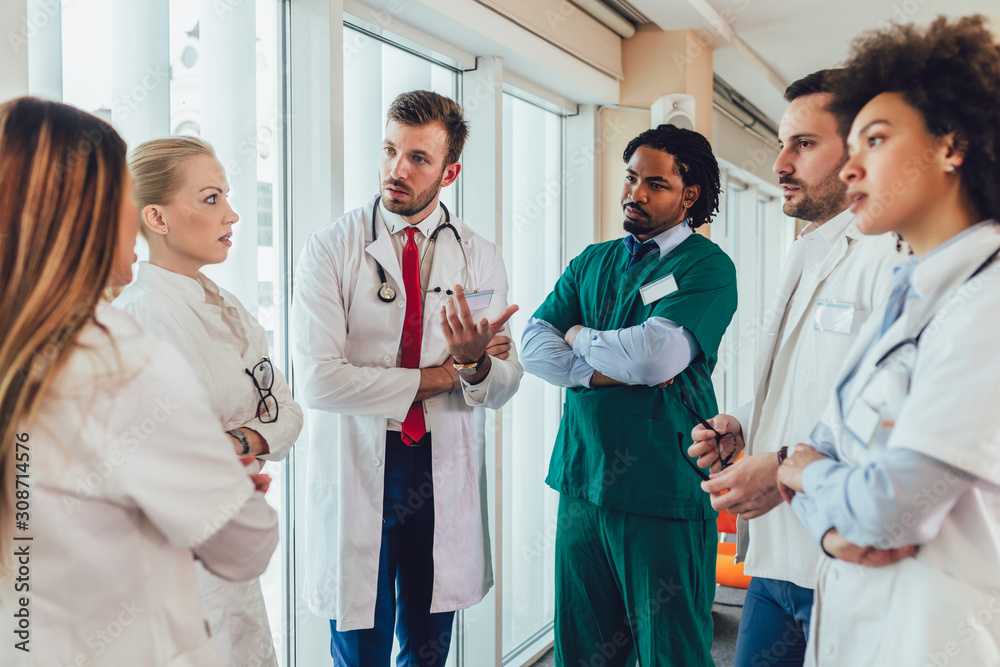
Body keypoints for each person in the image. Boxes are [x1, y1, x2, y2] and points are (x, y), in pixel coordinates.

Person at [0, 98, 278, 666]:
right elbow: (246, 543)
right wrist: (217, 481)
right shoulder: (118, 358)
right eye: (119, 198)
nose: (132, 212)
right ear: (86, 214)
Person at [772, 16, 1000, 666]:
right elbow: (823, 448)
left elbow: (887, 510)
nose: (849, 167)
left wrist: (808, 476)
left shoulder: (987, 304)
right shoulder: (910, 291)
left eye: (874, 139)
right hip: (860, 624)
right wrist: (829, 515)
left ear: (951, 145)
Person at [291, 90, 522, 666]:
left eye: (418, 157)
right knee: (360, 646)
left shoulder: (479, 256)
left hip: (439, 465)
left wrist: (474, 367)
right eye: (390, 149)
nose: (397, 169)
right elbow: (319, 382)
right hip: (363, 462)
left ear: (451, 171)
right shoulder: (331, 248)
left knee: (427, 648)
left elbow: (502, 385)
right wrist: (445, 375)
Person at [687, 71, 899, 666]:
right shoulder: (807, 246)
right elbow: (807, 384)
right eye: (784, 143)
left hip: (847, 568)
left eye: (804, 144)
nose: (781, 161)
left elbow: (893, 424)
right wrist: (744, 426)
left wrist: (779, 470)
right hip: (777, 564)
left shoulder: (891, 258)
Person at [521, 124, 737, 666]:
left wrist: (577, 336)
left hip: (662, 488)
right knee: (582, 649)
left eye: (655, 184)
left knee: (672, 650)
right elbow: (531, 347)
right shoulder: (592, 261)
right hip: (582, 483)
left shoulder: (707, 267)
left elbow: (653, 358)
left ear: (688, 196)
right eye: (631, 177)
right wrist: (600, 370)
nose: (634, 194)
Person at [113, 136, 302, 667]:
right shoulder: (143, 317)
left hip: (231, 555)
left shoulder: (229, 306)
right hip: (179, 570)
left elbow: (289, 414)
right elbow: (165, 460)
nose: (233, 214)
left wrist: (238, 439)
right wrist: (238, 442)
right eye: (212, 198)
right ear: (157, 216)